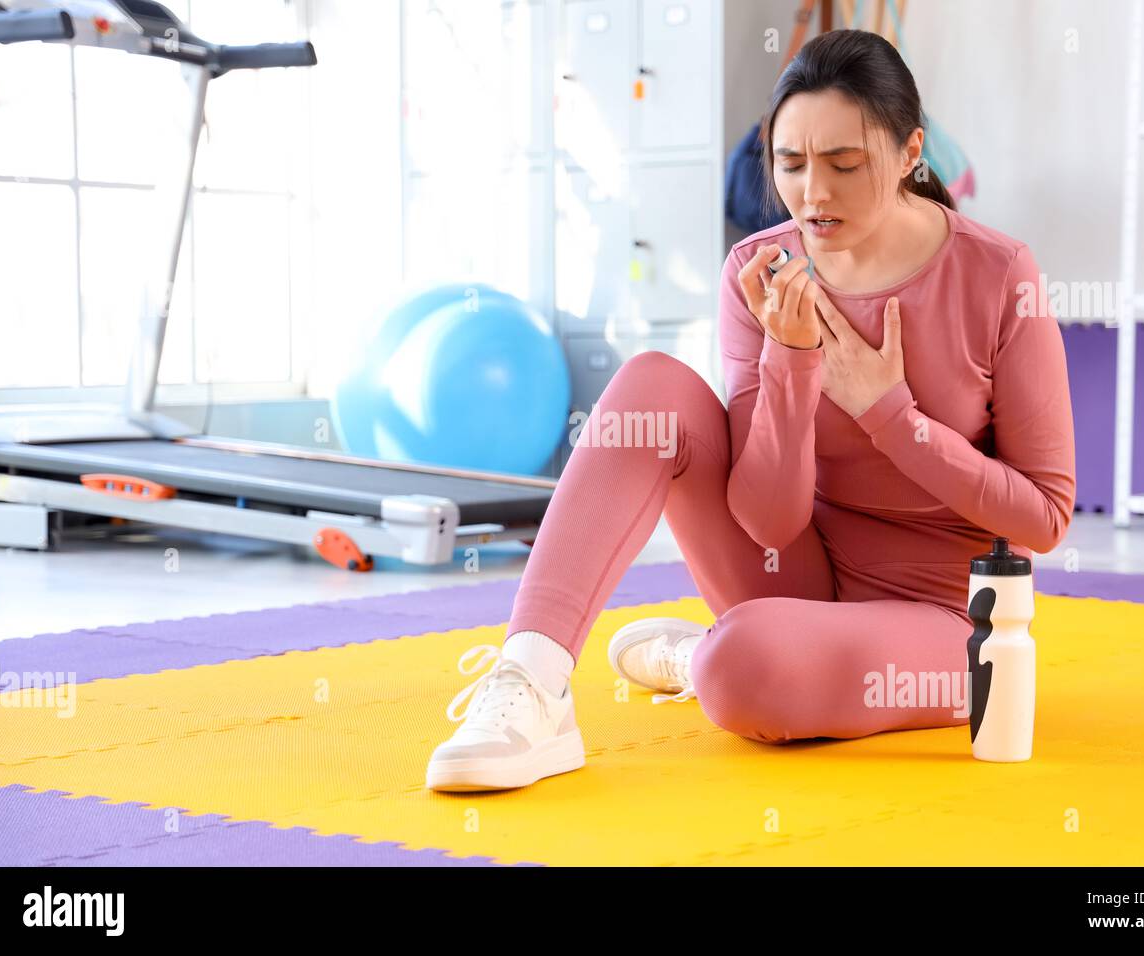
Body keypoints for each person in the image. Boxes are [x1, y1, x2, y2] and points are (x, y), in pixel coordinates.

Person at [425, 28, 1075, 792]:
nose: (813, 195)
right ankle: (532, 685)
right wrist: (791, 363)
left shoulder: (1000, 275)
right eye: (791, 164)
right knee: (651, 389)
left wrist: (890, 414)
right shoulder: (759, 270)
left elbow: (1044, 519)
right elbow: (768, 522)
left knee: (742, 668)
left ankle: (703, 657)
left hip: (944, 618)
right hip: (788, 569)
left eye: (845, 164)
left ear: (910, 155)